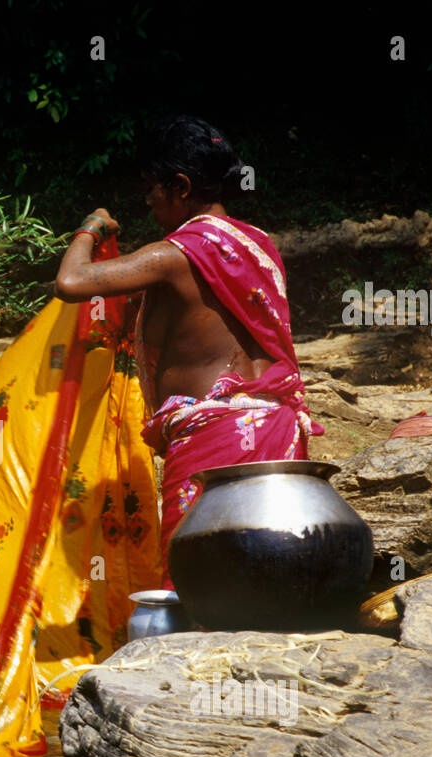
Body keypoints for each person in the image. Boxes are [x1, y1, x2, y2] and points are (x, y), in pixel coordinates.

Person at [54, 115, 323, 587]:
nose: (147, 201)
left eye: (150, 189)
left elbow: (71, 282)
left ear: (179, 185)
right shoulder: (259, 245)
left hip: (212, 439)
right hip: (275, 432)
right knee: (262, 578)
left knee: (195, 583)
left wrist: (90, 228)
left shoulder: (172, 254)